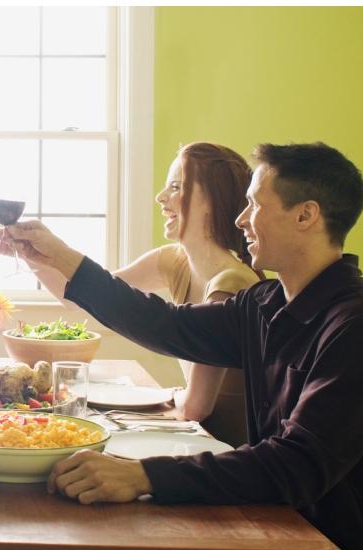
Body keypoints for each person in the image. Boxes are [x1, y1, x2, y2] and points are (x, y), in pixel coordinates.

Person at [1, 142, 363, 550]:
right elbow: (168, 326)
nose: (241, 219)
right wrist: (60, 256)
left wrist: (144, 474)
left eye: (255, 204)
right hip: (289, 534)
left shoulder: (361, 325)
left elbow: (298, 464)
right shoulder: (269, 304)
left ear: (306, 215)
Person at [31, 142, 259, 447]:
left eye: (176, 187)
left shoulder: (230, 283)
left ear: (212, 202)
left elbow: (195, 407)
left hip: (224, 451)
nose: (161, 198)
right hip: (193, 435)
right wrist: (33, 255)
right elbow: (79, 299)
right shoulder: (173, 260)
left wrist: (162, 398)